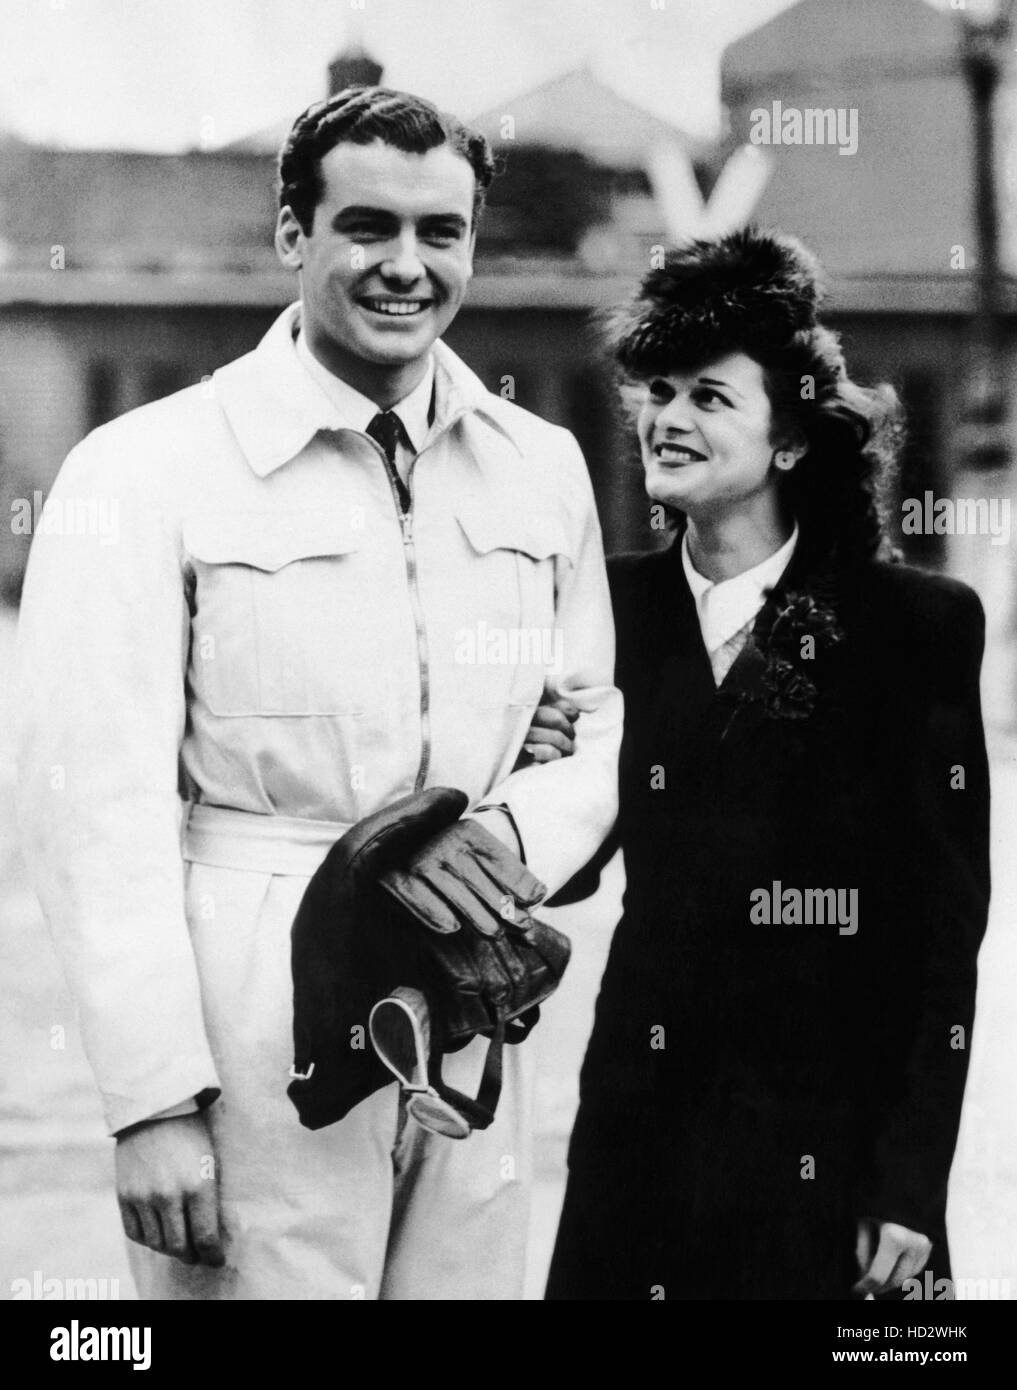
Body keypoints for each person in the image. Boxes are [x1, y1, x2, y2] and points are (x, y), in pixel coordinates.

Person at [15, 85, 621, 1301]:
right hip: (251, 1007)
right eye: (367, 226)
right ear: (294, 233)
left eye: (440, 232)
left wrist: (500, 846)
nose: (406, 266)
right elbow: (95, 809)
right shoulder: (144, 470)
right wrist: (151, 1100)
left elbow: (598, 714)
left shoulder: (538, 465)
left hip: (468, 986)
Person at [537, 228, 990, 1300]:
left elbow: (942, 933)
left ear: (788, 441)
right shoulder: (607, 606)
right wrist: (545, 772)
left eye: (709, 396)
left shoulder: (912, 626)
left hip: (833, 1141)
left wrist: (910, 1177)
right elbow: (569, 873)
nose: (668, 417)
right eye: (658, 391)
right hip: (641, 1125)